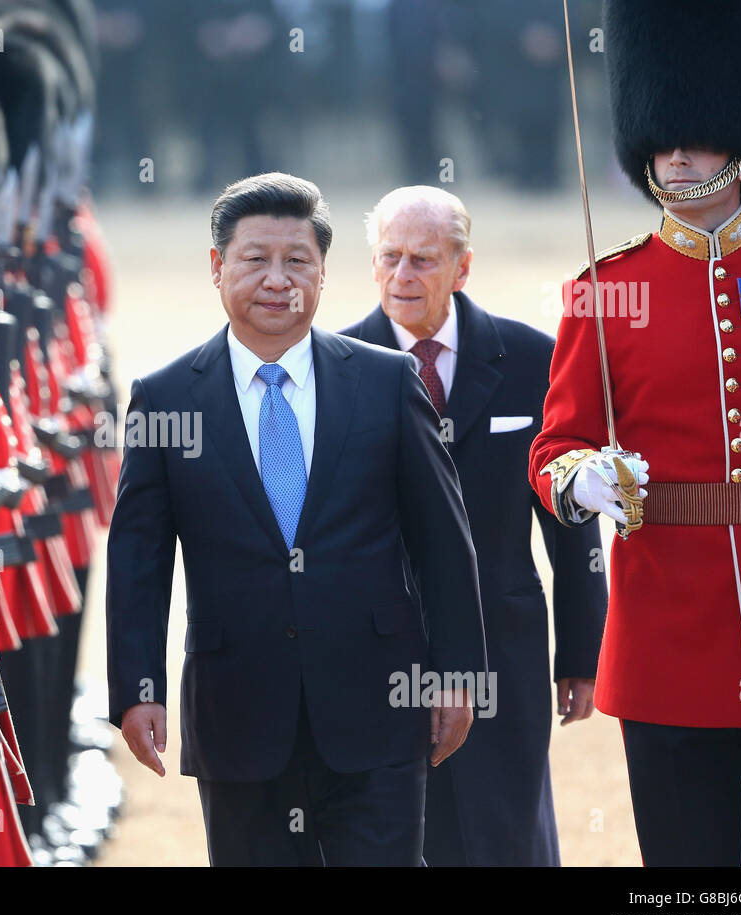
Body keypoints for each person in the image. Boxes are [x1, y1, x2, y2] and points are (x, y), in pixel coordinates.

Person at [106, 172, 486, 866]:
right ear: (217, 267)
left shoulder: (383, 381)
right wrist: (136, 689)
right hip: (238, 714)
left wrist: (456, 675)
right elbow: (139, 555)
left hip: (379, 707)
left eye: (298, 261)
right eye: (256, 259)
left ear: (323, 272)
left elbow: (442, 541)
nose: (278, 279)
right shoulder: (165, 397)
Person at [529, 0, 741, 866]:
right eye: (661, 138)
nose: (676, 152)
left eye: (699, 135)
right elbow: (555, 442)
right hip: (668, 638)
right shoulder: (606, 288)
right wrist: (580, 479)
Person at [340, 186, 607, 866]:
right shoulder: (335, 369)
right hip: (379, 652)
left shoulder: (531, 359)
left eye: (424, 260)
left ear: (462, 268)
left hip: (504, 648)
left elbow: (570, 522)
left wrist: (581, 652)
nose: (404, 276)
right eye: (390, 257)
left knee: (507, 833)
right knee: (396, 836)